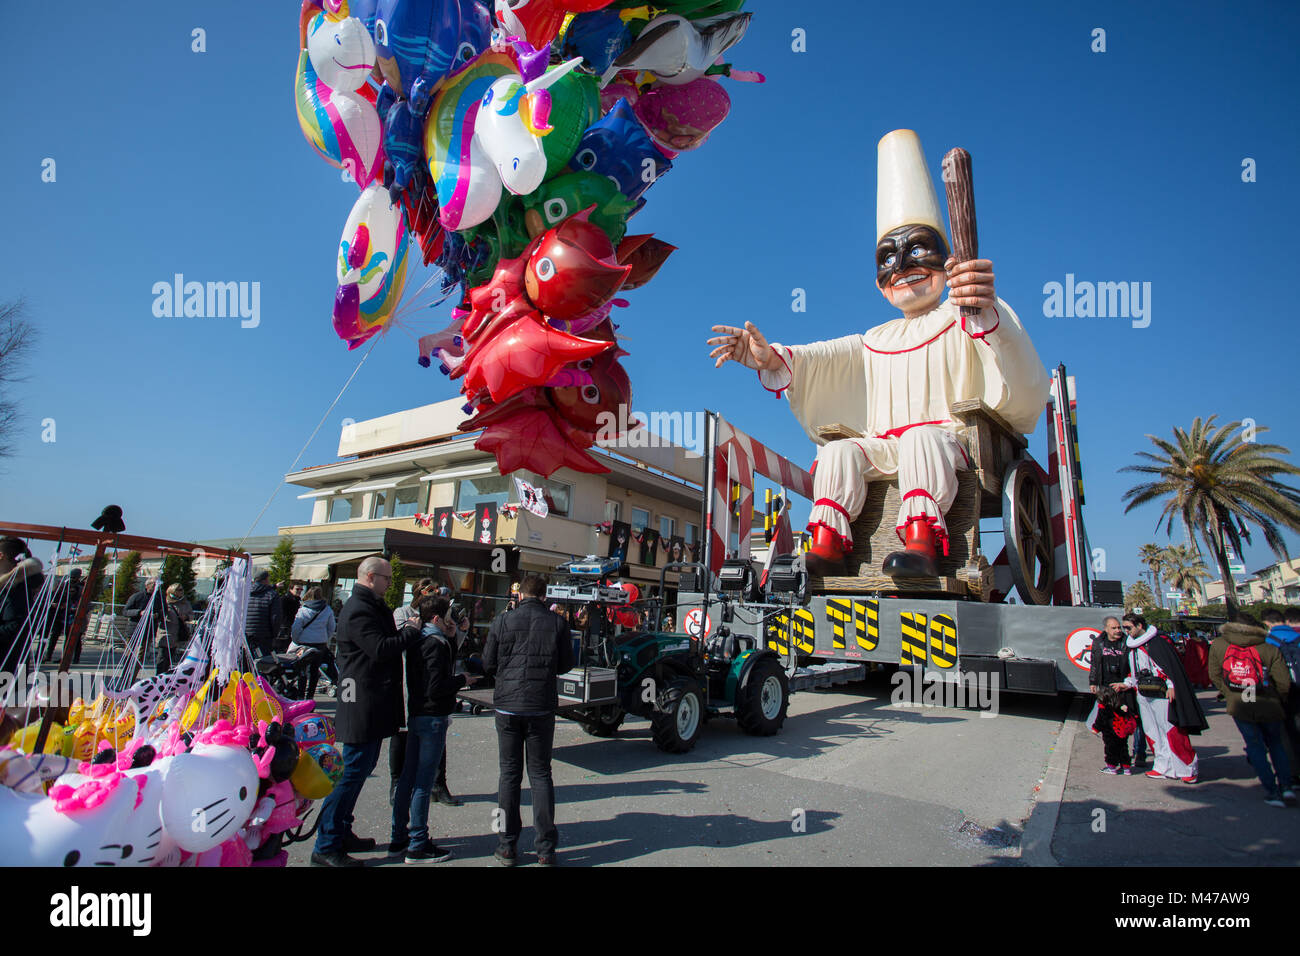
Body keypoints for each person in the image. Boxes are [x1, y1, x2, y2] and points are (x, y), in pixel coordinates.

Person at [708, 129, 1049, 578]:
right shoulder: (875, 339)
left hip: (951, 446)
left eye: (918, 250)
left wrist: (984, 305)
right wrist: (769, 359)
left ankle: (923, 540)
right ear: (877, 282)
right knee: (838, 453)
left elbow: (1009, 353)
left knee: (920, 439)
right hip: (885, 447)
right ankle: (828, 544)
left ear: (948, 262)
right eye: (889, 257)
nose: (903, 267)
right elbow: (819, 358)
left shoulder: (965, 313)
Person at [312, 557, 420, 867]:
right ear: (370, 577)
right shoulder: (360, 609)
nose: (390, 584)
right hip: (362, 699)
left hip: (370, 698)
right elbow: (381, 648)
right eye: (386, 578)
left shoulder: (369, 604)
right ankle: (326, 844)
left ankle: (341, 830)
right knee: (351, 771)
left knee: (360, 768)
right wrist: (411, 631)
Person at [483, 573, 575, 866]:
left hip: (508, 707)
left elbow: (488, 663)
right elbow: (565, 665)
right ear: (544, 596)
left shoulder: (502, 621)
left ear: (519, 595)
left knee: (508, 775)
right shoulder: (558, 623)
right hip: (540, 707)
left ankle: (506, 844)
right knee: (540, 775)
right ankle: (545, 849)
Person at [390, 595, 474, 863]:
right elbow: (436, 685)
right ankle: (417, 843)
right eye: (448, 617)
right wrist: (462, 679)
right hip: (432, 716)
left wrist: (451, 636)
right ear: (436, 618)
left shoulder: (417, 638)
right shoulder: (434, 645)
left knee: (408, 778)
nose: (452, 621)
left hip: (416, 713)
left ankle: (398, 838)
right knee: (423, 783)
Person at [1209, 615, 1294, 807]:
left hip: (1240, 704)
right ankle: (1287, 786)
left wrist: (1228, 693)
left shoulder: (1220, 645)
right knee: (1276, 745)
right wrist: (1279, 697)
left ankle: (1271, 791)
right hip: (1268, 703)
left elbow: (1214, 674)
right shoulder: (1268, 647)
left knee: (1254, 746)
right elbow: (1283, 681)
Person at [1123, 613, 1208, 782]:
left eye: (1128, 627)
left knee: (1172, 730)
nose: (1126, 631)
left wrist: (1171, 685)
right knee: (1152, 731)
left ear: (1140, 626)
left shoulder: (1158, 642)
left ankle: (1187, 769)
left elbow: (1169, 667)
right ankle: (1163, 766)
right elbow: (1133, 670)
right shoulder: (1131, 647)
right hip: (1143, 693)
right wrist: (1127, 683)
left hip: (1162, 694)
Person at [390, 578, 437, 803]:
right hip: (405, 677)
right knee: (402, 732)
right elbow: (402, 640)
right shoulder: (403, 612)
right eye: (430, 591)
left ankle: (432, 784)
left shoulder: (435, 614)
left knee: (429, 734)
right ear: (419, 592)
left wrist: (458, 631)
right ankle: (396, 781)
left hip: (428, 681)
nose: (434, 595)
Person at [1088, 616, 1137, 773]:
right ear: (1106, 629)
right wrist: (1093, 682)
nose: (1118, 630)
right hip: (1106, 690)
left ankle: (1130, 760)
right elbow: (1095, 664)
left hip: (1123, 689)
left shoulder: (1127, 643)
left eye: (1119, 628)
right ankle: (1116, 764)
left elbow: (1133, 665)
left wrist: (1127, 683)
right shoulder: (1099, 643)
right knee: (1109, 727)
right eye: (1114, 628)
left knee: (1126, 726)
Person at [1264, 608, 1300, 784]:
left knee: (1284, 734)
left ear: (1267, 623)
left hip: (1281, 693)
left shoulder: (1269, 642)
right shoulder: (1296, 638)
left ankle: (1291, 775)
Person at [0, 538, 45, 674]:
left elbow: (16, 625)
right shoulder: (10, 586)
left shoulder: (15, 588)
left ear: (1, 555)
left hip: (6, 663)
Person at [289, 586, 338, 699]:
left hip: (304, 643)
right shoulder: (327, 609)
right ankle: (310, 696)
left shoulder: (303, 609)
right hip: (320, 643)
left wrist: (296, 640)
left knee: (302, 670)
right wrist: (325, 638)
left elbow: (296, 627)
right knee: (314, 670)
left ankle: (301, 695)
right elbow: (331, 627)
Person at [245, 570, 282, 659]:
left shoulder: (246, 593)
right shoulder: (272, 594)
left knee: (247, 662)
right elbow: (275, 618)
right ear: (265, 580)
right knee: (263, 663)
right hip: (264, 635)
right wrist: (274, 635)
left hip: (246, 634)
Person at [157, 585, 192, 674]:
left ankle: (165, 676)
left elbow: (191, 615)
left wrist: (186, 617)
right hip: (166, 633)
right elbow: (159, 614)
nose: (182, 591)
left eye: (182, 589)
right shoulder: (165, 602)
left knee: (169, 659)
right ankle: (158, 676)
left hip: (177, 634)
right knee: (162, 659)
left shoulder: (185, 603)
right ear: (172, 591)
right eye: (179, 590)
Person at [278, 583, 303, 652]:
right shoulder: (284, 599)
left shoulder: (297, 600)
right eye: (297, 589)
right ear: (290, 589)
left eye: (301, 589)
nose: (300, 591)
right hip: (285, 629)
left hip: (292, 629)